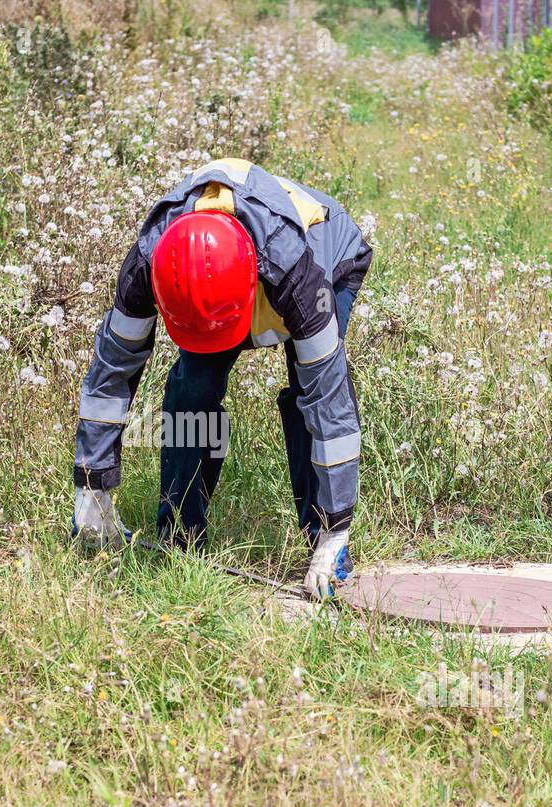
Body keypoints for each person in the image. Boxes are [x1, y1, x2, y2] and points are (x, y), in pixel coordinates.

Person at [71, 158, 372, 599]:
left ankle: (322, 539)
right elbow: (109, 378)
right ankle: (181, 537)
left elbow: (330, 407)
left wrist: (336, 530)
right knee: (191, 390)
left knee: (307, 395)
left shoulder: (299, 277)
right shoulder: (149, 261)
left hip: (327, 253)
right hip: (218, 285)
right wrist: (92, 489)